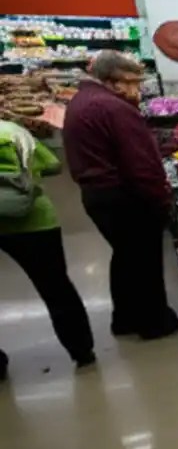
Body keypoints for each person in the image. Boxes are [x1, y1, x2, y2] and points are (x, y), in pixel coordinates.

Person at [62, 50, 178, 339]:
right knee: (145, 260)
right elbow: (141, 165)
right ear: (114, 82)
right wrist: (161, 201)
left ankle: (124, 318)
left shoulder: (83, 100)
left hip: (98, 195)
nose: (137, 90)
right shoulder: (114, 109)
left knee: (126, 256)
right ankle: (155, 323)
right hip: (124, 197)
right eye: (133, 83)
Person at [0, 121, 95, 371]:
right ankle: (81, 350)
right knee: (56, 287)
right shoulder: (12, 132)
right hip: (33, 221)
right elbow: (53, 164)